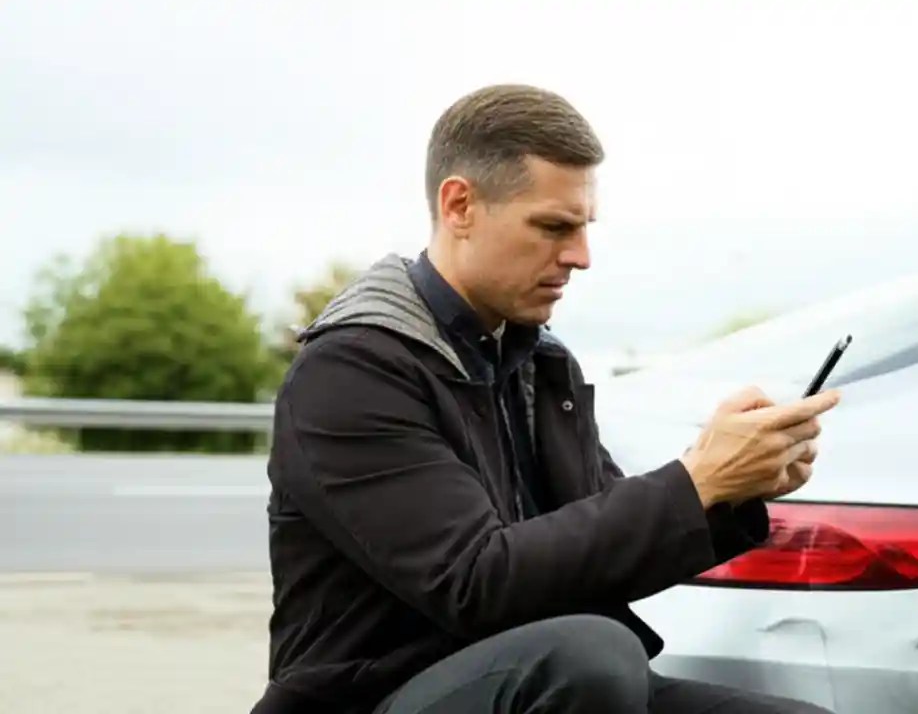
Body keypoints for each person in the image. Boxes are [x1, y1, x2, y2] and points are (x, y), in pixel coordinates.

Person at [251, 83, 842, 714]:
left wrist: (729, 489)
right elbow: (475, 580)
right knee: (590, 656)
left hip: (536, 674)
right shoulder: (353, 369)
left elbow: (600, 545)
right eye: (553, 227)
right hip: (376, 695)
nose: (580, 257)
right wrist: (695, 482)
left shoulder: (541, 363)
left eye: (584, 228)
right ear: (460, 206)